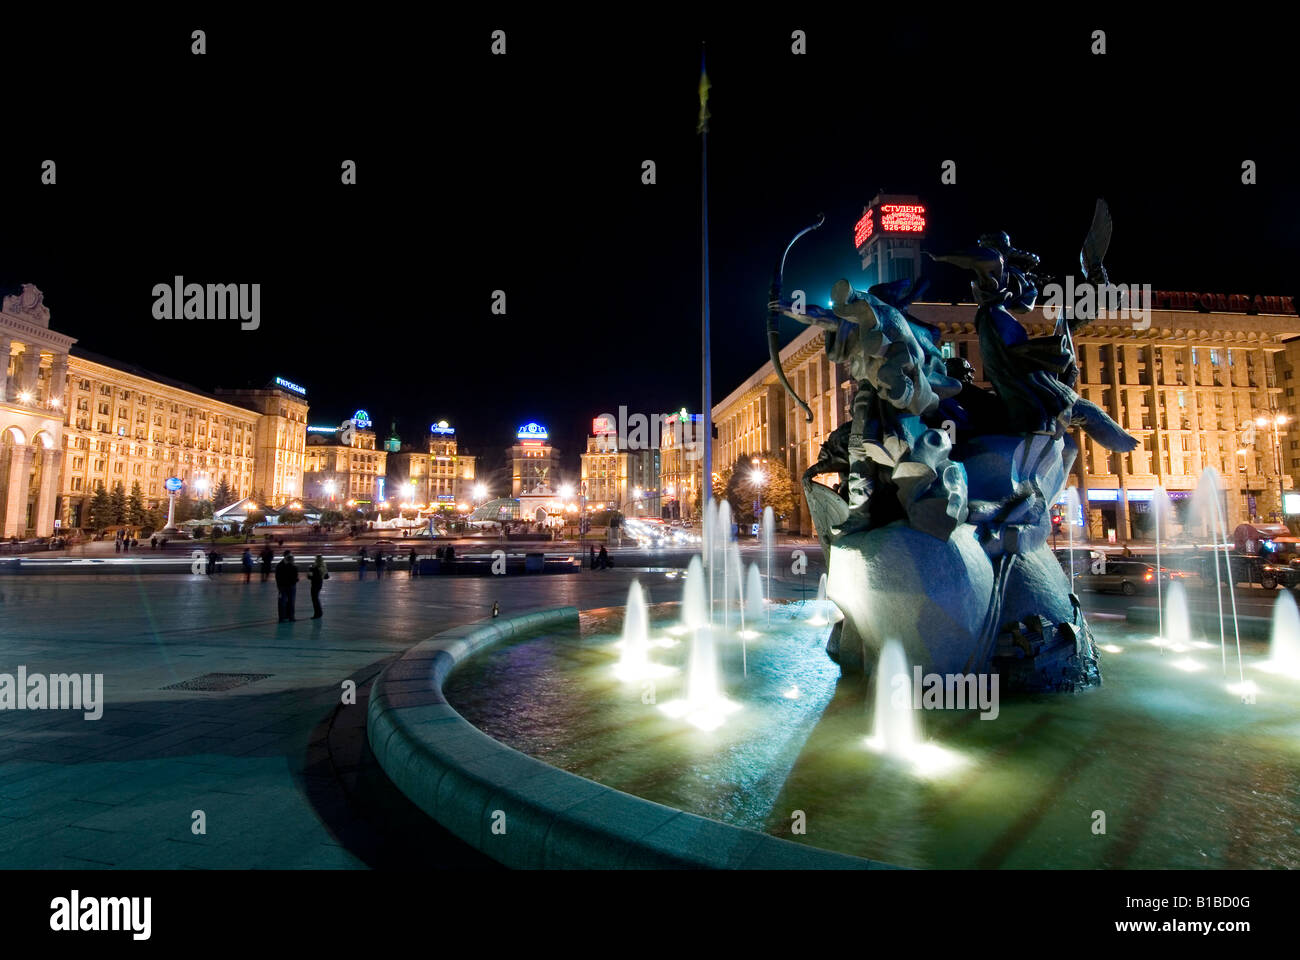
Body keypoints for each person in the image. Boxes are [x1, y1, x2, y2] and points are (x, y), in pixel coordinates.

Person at [275, 551, 299, 622]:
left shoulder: (279, 565)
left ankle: (282, 617)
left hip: (282, 586)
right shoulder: (293, 566)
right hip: (290, 586)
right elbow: (295, 578)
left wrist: (278, 586)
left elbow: (277, 577)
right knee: (290, 601)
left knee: (282, 602)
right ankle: (290, 617)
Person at [308, 554, 329, 619]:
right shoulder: (323, 566)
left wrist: (310, 572)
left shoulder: (315, 567)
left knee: (315, 599)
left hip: (315, 584)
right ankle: (319, 612)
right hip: (319, 583)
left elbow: (311, 577)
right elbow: (326, 576)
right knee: (316, 598)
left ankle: (317, 613)